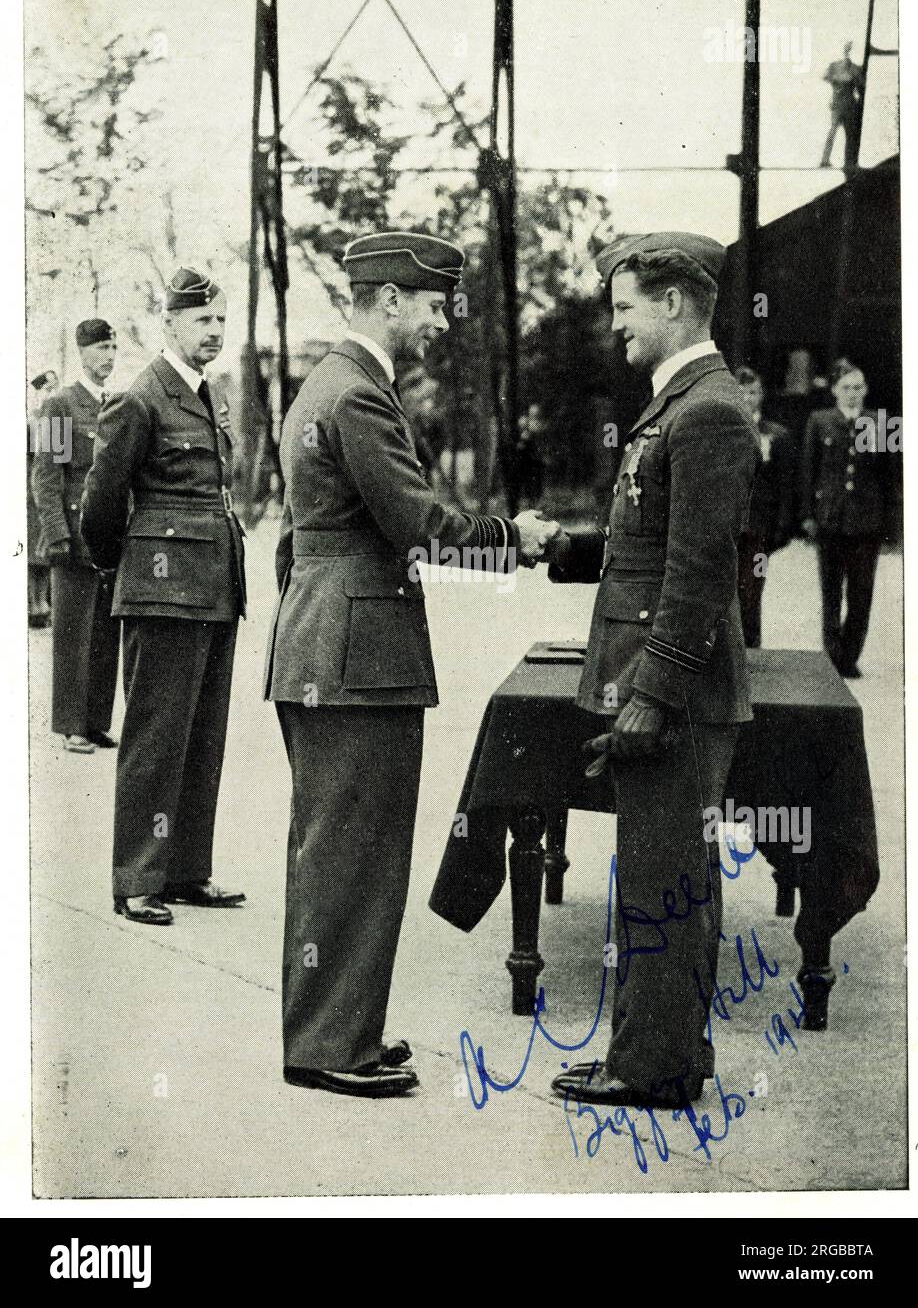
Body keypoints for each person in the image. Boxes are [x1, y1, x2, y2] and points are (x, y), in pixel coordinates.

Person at [264, 229, 557, 1099]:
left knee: (339, 846)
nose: (439, 323)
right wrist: (516, 538)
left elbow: (301, 543)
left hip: (330, 647)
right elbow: (420, 526)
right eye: (432, 305)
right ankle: (327, 1046)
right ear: (388, 299)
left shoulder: (330, 383)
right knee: (351, 848)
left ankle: (338, 1029)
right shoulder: (357, 395)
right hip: (358, 658)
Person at [544, 231, 761, 1110]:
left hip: (675, 693)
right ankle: (656, 1050)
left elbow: (699, 572)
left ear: (673, 304)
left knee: (663, 877)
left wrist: (652, 692)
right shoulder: (682, 402)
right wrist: (563, 548)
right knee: (659, 872)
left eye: (626, 308)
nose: (616, 327)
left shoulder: (704, 409)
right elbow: (650, 542)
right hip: (667, 686)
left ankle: (653, 1068)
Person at [81, 269, 246, 925]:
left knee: (202, 738)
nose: (215, 332)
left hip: (213, 587)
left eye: (221, 321)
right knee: (154, 740)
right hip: (161, 589)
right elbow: (100, 500)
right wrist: (119, 569)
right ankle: (135, 879)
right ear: (171, 324)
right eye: (203, 320)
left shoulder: (207, 394)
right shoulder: (142, 397)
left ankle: (184, 871)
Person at [31, 327, 121, 751]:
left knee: (104, 633)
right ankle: (70, 725)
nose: (110, 355)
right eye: (102, 348)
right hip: (72, 538)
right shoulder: (61, 404)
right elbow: (47, 477)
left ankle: (94, 721)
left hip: (106, 539)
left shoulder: (114, 404)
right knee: (73, 635)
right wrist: (56, 534)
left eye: (114, 347)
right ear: (83, 353)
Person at [801, 366, 888, 677]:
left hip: (867, 522)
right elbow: (809, 471)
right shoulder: (820, 421)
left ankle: (849, 656)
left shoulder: (878, 423)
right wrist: (809, 515)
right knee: (831, 590)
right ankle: (832, 655)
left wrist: (889, 521)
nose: (853, 393)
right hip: (831, 520)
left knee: (861, 593)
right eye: (847, 387)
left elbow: (889, 476)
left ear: (865, 390)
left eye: (859, 387)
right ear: (835, 389)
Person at [735, 366, 796, 647]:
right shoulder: (724, 431)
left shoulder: (777, 435)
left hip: (759, 528)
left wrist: (782, 526)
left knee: (752, 589)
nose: (749, 398)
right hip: (728, 524)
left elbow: (785, 484)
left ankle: (751, 646)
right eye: (743, 392)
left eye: (754, 392)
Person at [27, 370, 59, 628]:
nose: (51, 393)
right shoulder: (30, 423)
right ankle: (34, 604)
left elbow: (59, 461)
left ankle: (42, 605)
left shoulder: (56, 420)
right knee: (32, 553)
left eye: (54, 388)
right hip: (29, 494)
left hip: (46, 496)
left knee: (44, 552)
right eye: (47, 389)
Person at [820, 41, 865, 173]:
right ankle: (844, 162)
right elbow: (860, 86)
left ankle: (831, 160)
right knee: (846, 133)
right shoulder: (852, 68)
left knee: (840, 132)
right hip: (845, 104)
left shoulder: (838, 67)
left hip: (842, 104)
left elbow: (826, 77)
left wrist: (836, 81)